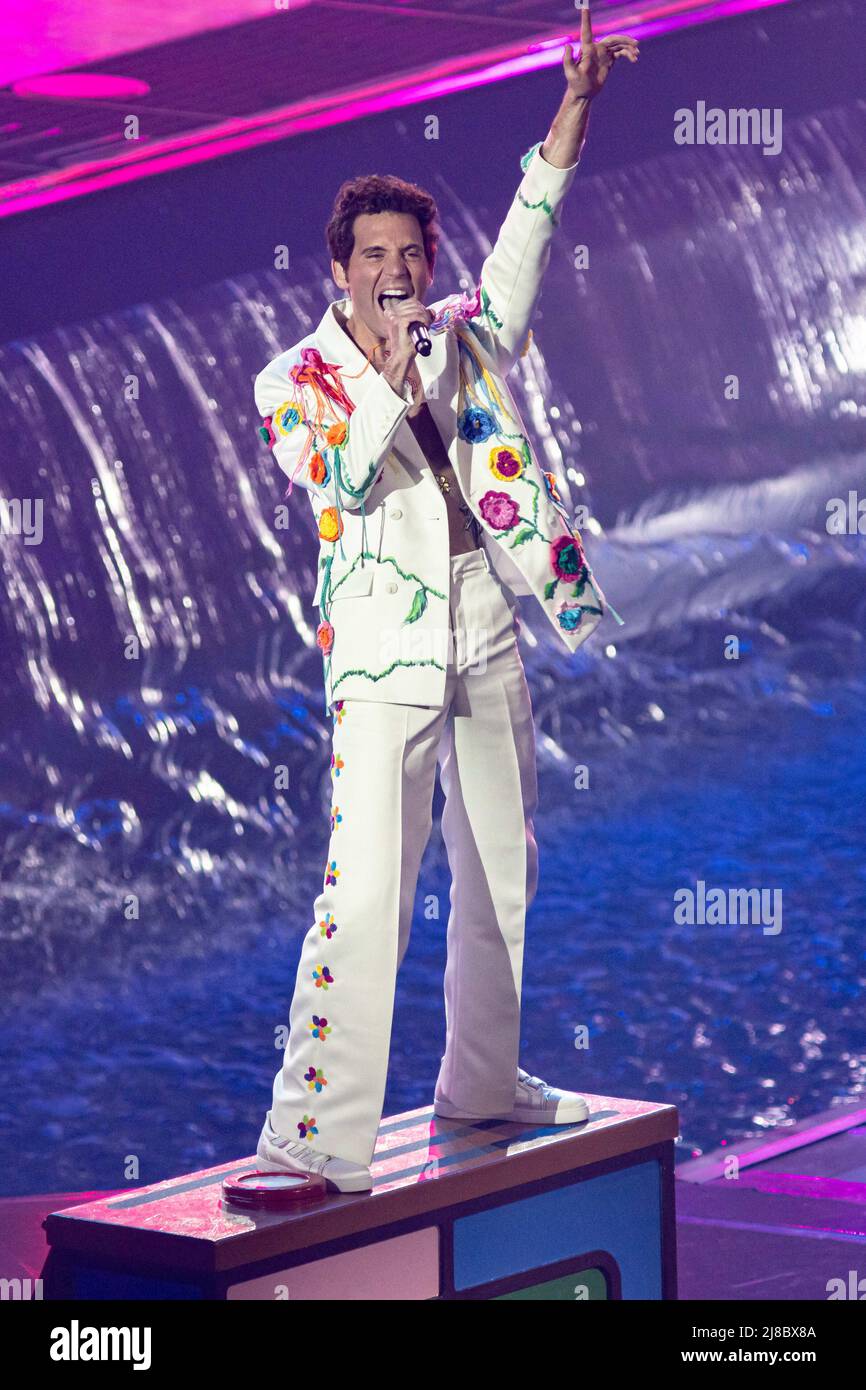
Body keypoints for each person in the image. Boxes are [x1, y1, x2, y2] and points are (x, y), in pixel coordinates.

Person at [252, 8, 638, 1192]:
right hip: (377, 659)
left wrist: (570, 110)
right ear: (337, 269)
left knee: (499, 872)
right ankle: (311, 1143)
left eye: (410, 255)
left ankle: (481, 1078)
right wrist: (386, 366)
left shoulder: (460, 340)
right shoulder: (293, 380)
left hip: (484, 629)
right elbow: (345, 471)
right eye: (372, 256)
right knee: (365, 891)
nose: (395, 274)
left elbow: (518, 253)